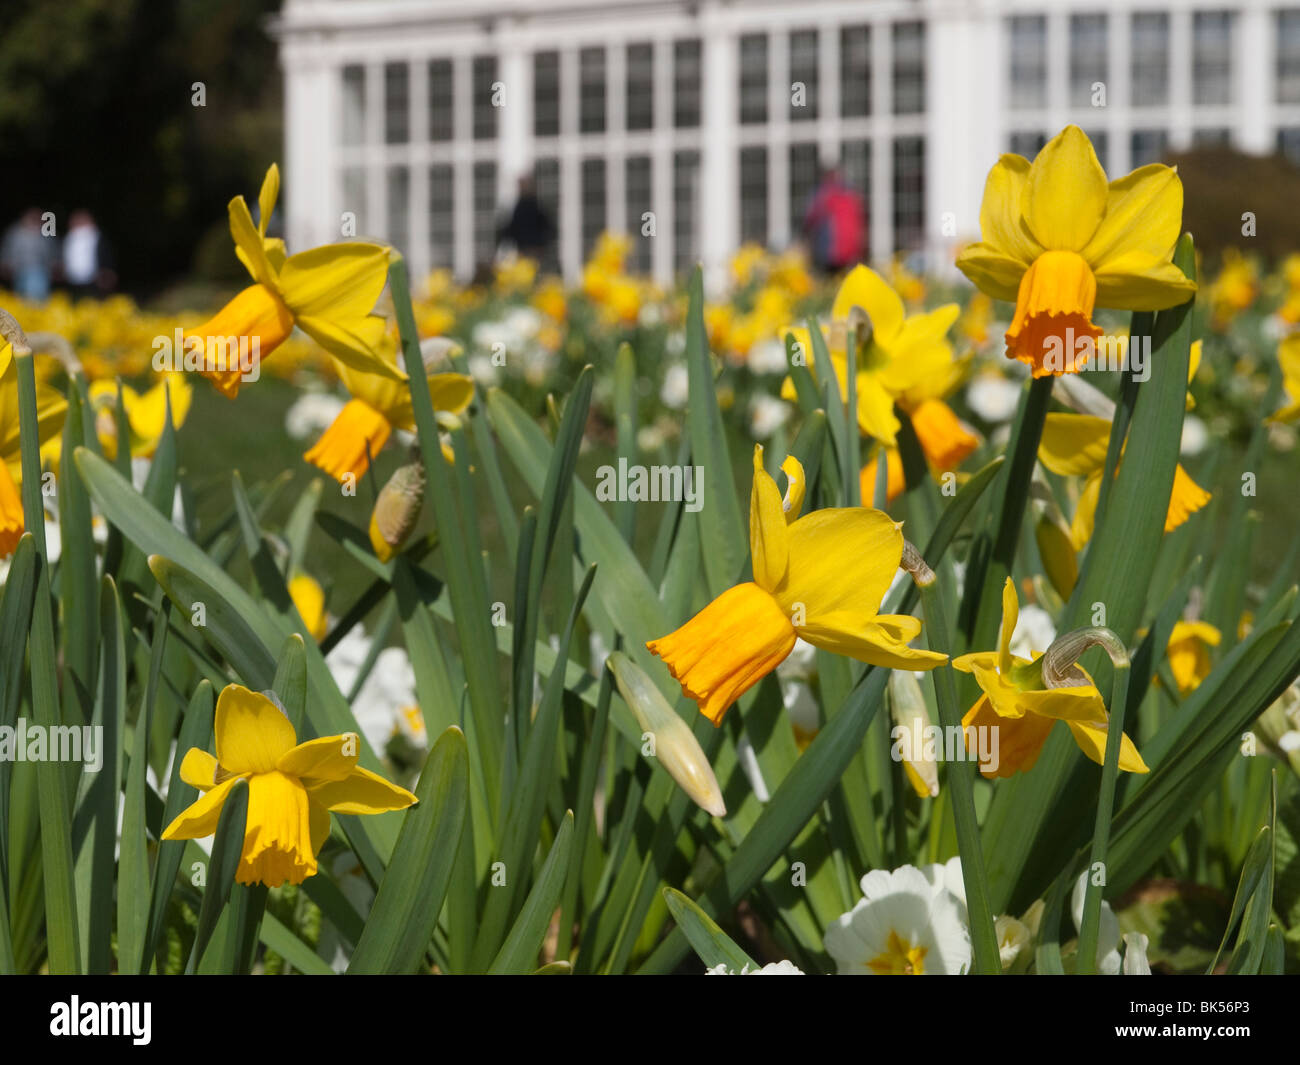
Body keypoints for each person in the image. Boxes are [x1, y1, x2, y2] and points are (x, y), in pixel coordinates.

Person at [801, 167, 866, 276]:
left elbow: (810, 218)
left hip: (828, 249)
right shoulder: (852, 194)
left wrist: (805, 237)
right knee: (842, 280)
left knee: (827, 280)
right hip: (849, 249)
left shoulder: (822, 193)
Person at [1, 208, 58, 302]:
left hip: (39, 271)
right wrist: (6, 264)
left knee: (36, 298)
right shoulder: (15, 232)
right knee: (20, 297)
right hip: (19, 270)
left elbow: (51, 252)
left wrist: (53, 265)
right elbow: (8, 249)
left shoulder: (45, 233)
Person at [497, 175, 556, 267]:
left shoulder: (536, 206)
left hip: (534, 250)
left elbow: (547, 227)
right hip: (524, 249)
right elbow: (513, 227)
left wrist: (541, 245)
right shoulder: (520, 206)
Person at [62, 209, 116, 299]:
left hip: (94, 276)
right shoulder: (70, 237)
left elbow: (105, 254)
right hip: (73, 276)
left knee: (92, 299)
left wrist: (107, 270)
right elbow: (66, 255)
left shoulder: (96, 236)